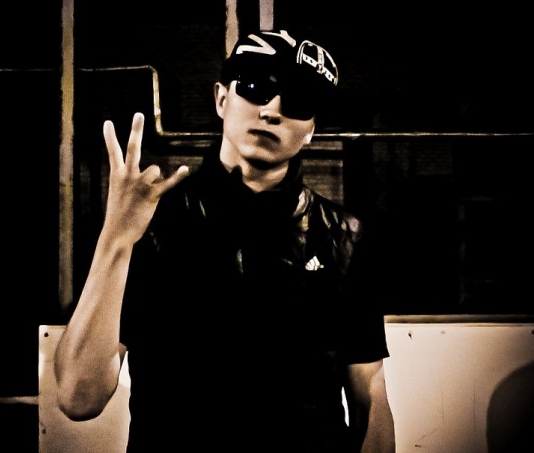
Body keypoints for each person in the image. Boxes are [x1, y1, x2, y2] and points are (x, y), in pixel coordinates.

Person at [54, 29, 396, 452]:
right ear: (221, 99)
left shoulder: (346, 237)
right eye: (254, 88)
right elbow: (78, 397)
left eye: (297, 101)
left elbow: (370, 399)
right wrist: (115, 240)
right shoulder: (152, 221)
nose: (271, 110)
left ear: (311, 129)